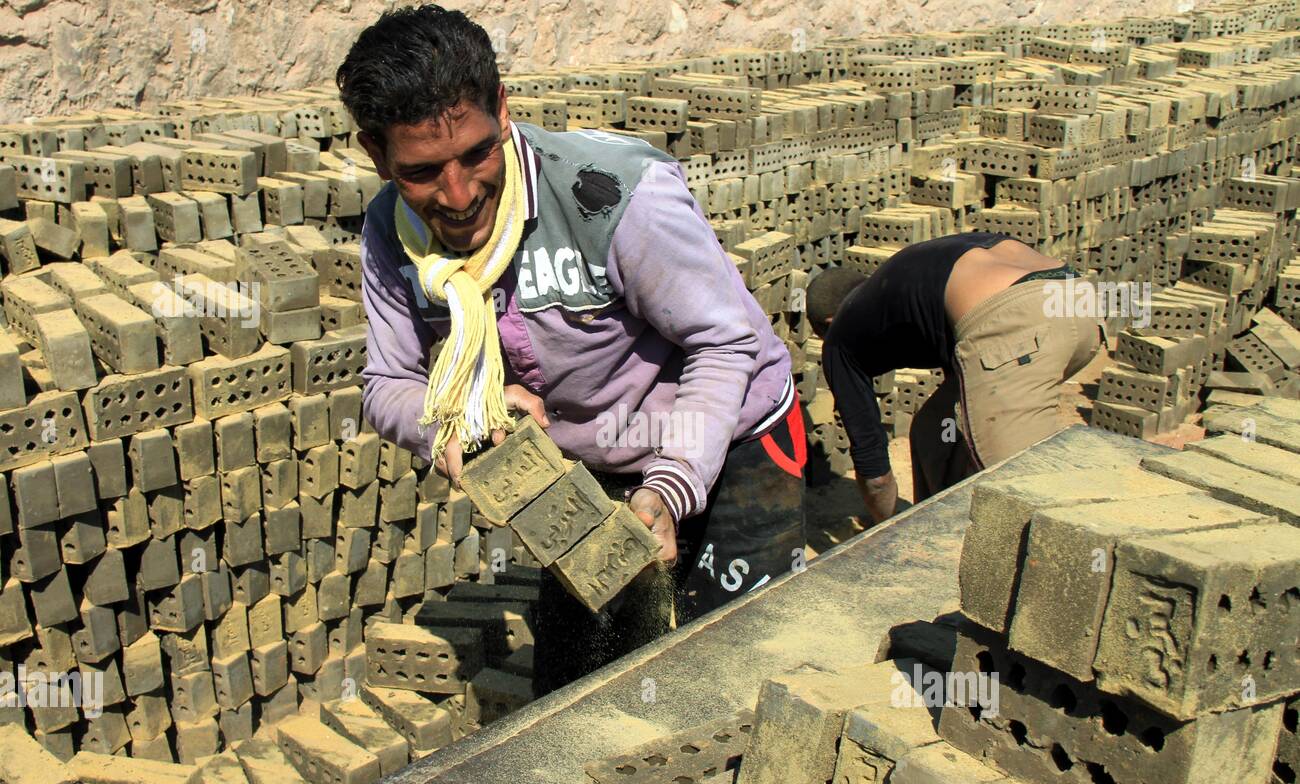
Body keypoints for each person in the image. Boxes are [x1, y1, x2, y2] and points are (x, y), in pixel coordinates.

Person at [338, 5, 804, 694]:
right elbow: (387, 385)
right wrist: (464, 416)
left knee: (738, 681)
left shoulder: (611, 194)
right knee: (581, 692)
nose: (460, 194)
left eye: (476, 152)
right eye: (423, 172)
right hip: (589, 466)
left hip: (730, 438)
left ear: (501, 108)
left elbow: (724, 340)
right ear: (377, 154)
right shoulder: (389, 234)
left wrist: (671, 487)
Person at [807, 233, 1105, 524]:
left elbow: (876, 475)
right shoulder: (904, 288)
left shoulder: (839, 339)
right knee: (932, 431)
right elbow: (966, 375)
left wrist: (889, 539)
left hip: (1019, 320)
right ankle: (942, 528)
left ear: (828, 324)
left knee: (1017, 494)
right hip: (1077, 299)